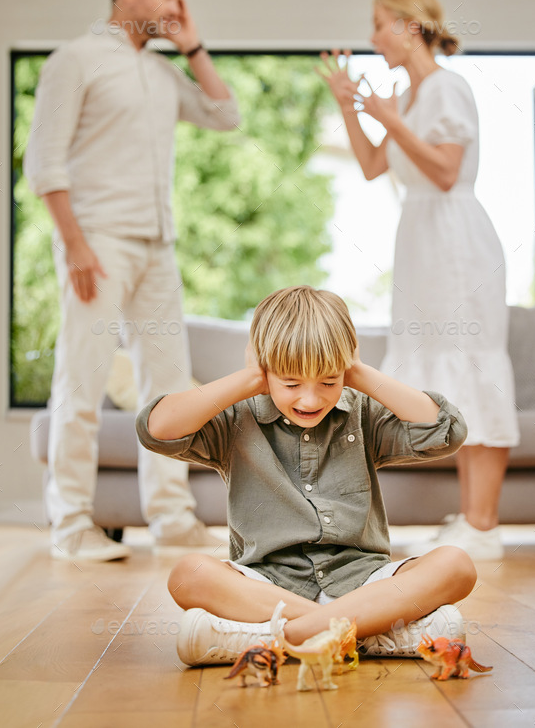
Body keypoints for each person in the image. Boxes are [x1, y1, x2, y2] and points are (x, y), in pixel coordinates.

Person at [24, 0, 240, 561]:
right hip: (99, 243)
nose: (174, 6)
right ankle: (70, 524)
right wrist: (75, 247)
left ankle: (170, 517)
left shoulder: (164, 74)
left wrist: (193, 45)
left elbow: (226, 115)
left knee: (168, 386)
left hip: (158, 247)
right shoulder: (76, 60)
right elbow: (44, 161)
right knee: (82, 379)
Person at [136, 285, 476, 666]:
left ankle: (278, 637)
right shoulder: (238, 419)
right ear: (265, 371)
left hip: (363, 584)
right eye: (291, 384)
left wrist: (359, 374)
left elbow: (446, 431)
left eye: (328, 382)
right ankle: (369, 634)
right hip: (266, 587)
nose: (310, 400)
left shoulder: (363, 413)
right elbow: (157, 429)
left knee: (455, 564)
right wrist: (250, 379)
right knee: (188, 574)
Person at [318, 0, 520, 561]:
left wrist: (389, 116)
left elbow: (445, 170)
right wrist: (349, 106)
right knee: (444, 369)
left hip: (458, 243)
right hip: (422, 246)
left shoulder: (446, 86)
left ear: (411, 27)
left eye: (379, 24)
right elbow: (371, 165)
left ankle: (485, 524)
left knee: (473, 362)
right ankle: (473, 517)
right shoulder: (406, 96)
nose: (372, 36)